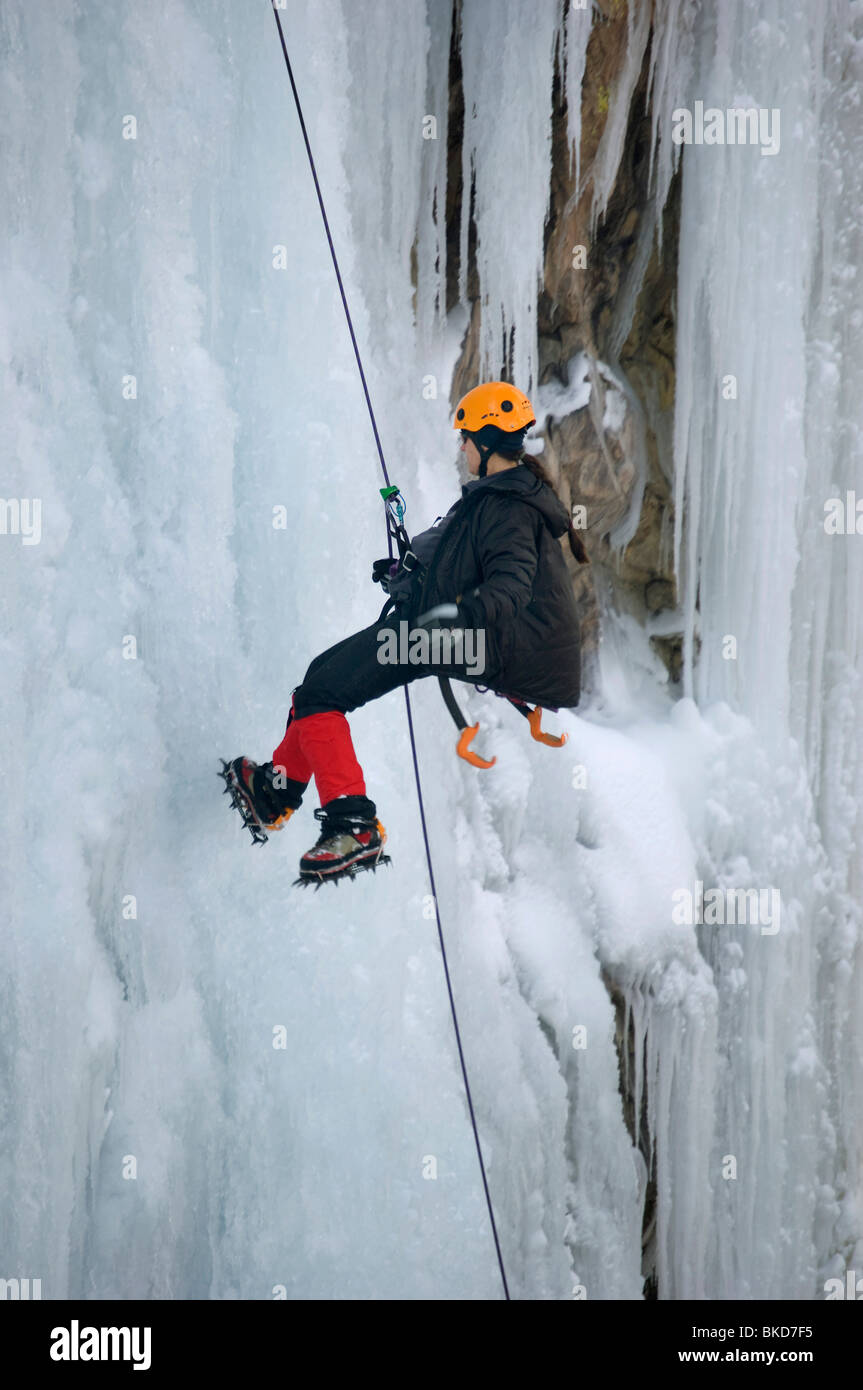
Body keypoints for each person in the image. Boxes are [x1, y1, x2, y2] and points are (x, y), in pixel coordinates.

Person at [223, 381, 587, 882]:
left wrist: (455, 615)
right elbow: (463, 561)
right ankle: (276, 790)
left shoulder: (509, 507)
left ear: (485, 443)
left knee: (322, 694)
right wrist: (409, 578)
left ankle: (353, 825)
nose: (461, 448)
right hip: (489, 641)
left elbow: (510, 587)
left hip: (486, 642)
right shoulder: (503, 495)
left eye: (466, 439)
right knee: (319, 679)